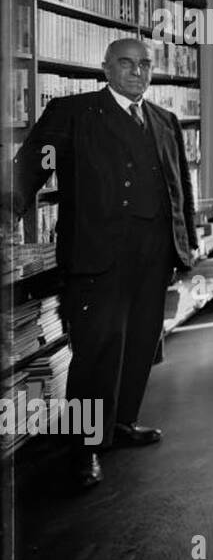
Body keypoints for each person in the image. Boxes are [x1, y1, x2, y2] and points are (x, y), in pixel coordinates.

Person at [9, 37, 198, 490]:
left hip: (153, 256)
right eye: (127, 64)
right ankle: (86, 449)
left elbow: (180, 192)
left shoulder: (165, 121)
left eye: (145, 65)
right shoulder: (72, 114)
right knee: (96, 354)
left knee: (138, 346)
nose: (137, 72)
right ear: (106, 68)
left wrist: (184, 247)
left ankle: (119, 426)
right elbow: (28, 169)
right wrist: (7, 209)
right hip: (98, 257)